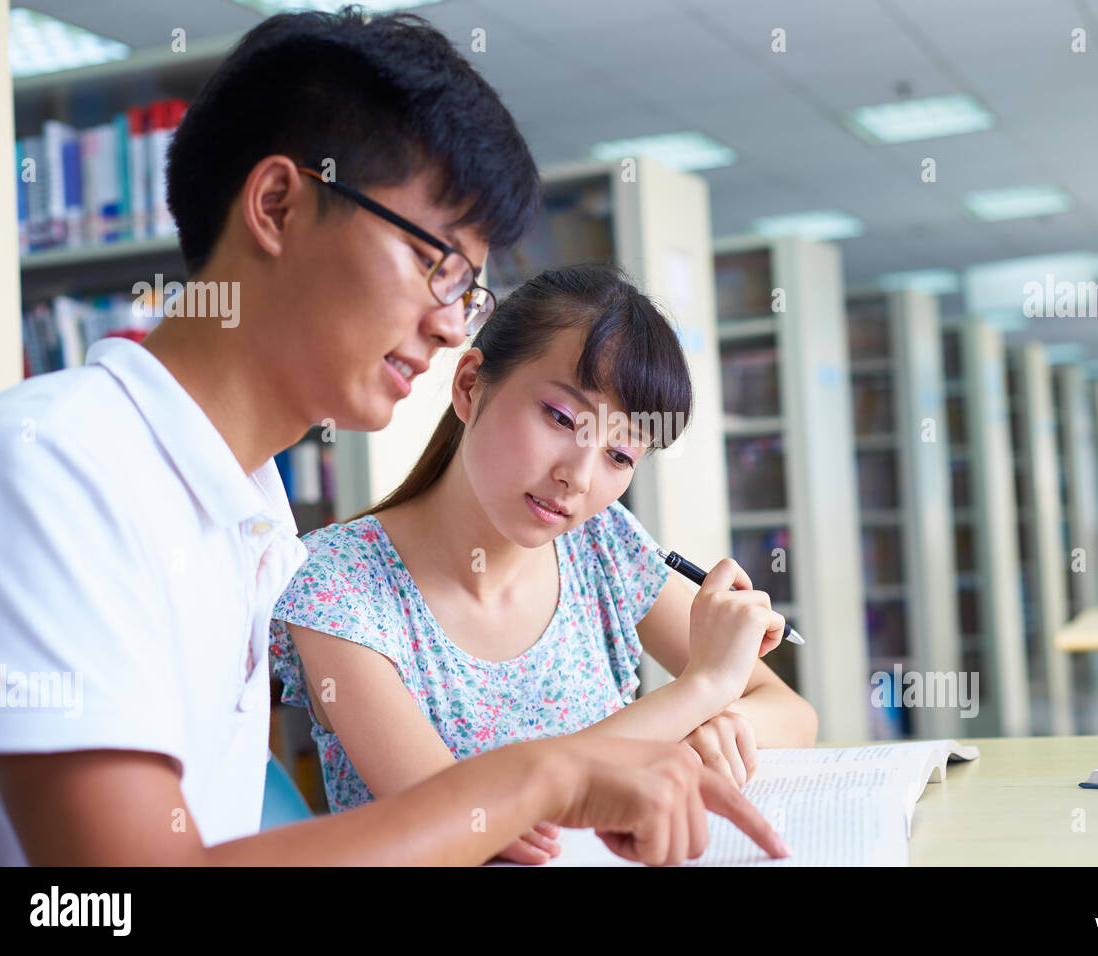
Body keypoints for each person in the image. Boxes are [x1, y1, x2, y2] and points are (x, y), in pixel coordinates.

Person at [0, 9, 788, 866]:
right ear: (279, 205)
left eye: (469, 290)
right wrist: (546, 774)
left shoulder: (252, 512)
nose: (449, 328)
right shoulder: (57, 462)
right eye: (434, 262)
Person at [270, 264, 817, 864]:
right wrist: (701, 691)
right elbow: (460, 820)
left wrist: (715, 730)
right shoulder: (337, 586)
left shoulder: (601, 545)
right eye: (561, 418)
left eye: (618, 454)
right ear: (472, 385)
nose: (577, 478)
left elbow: (791, 713)